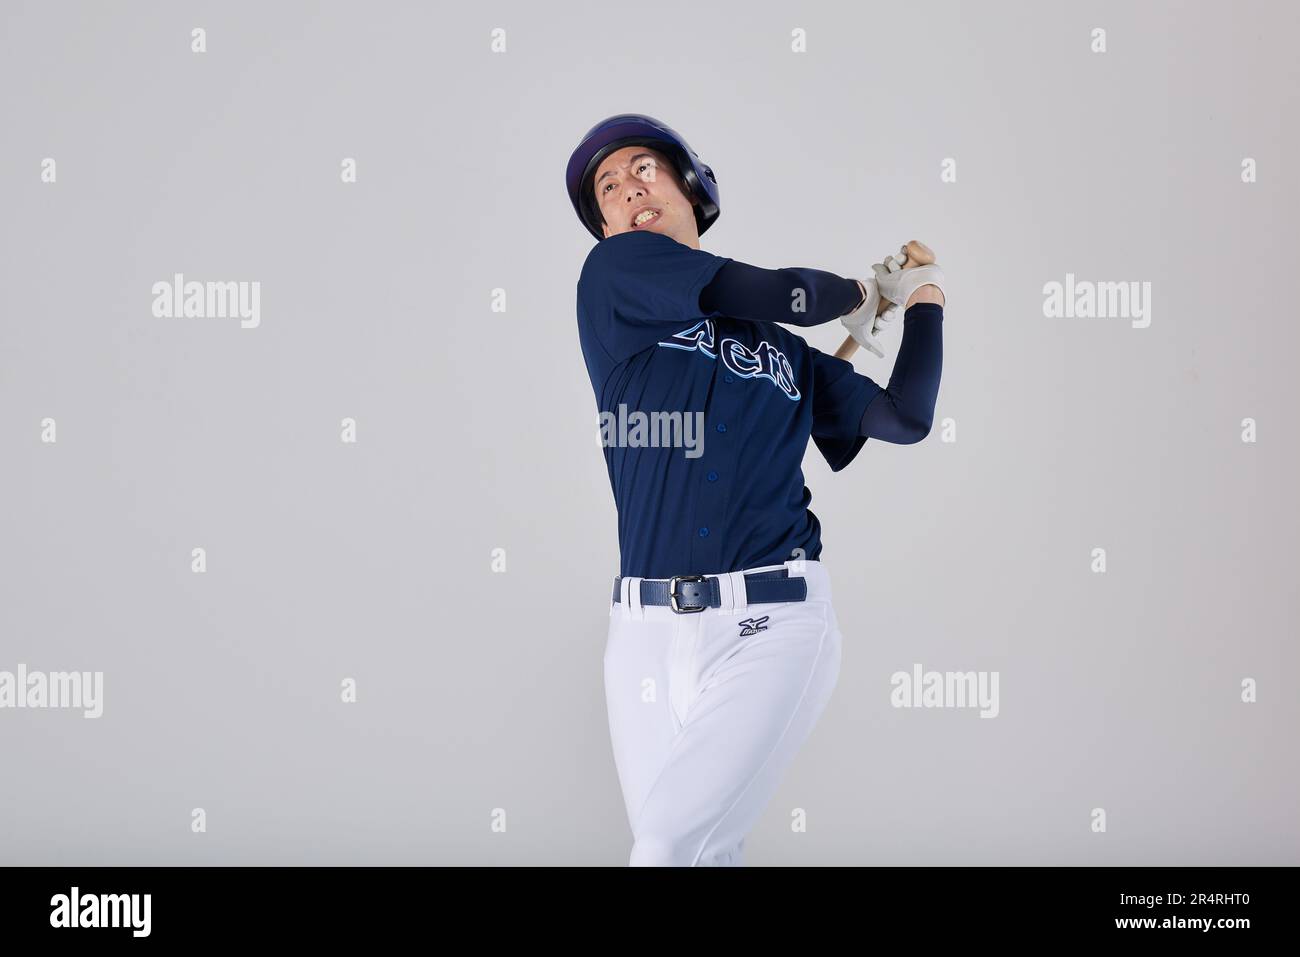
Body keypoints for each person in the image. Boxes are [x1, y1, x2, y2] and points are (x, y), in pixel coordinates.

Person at [565, 114, 946, 866]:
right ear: (607, 227)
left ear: (690, 185)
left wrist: (926, 299)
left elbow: (904, 418)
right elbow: (792, 292)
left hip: (772, 622)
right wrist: (863, 290)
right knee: (698, 855)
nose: (627, 188)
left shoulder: (785, 357)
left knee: (667, 848)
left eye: (645, 168)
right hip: (640, 636)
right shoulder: (614, 283)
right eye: (608, 187)